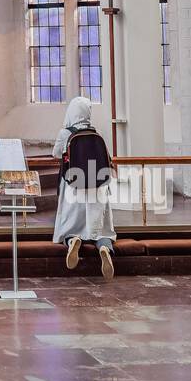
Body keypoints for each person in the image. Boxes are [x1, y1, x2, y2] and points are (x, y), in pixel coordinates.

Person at [51, 96, 116, 279]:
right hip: (98, 186)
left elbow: (56, 153)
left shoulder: (66, 133)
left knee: (71, 225)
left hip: (74, 186)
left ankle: (74, 240)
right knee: (102, 229)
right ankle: (104, 247)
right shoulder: (97, 132)